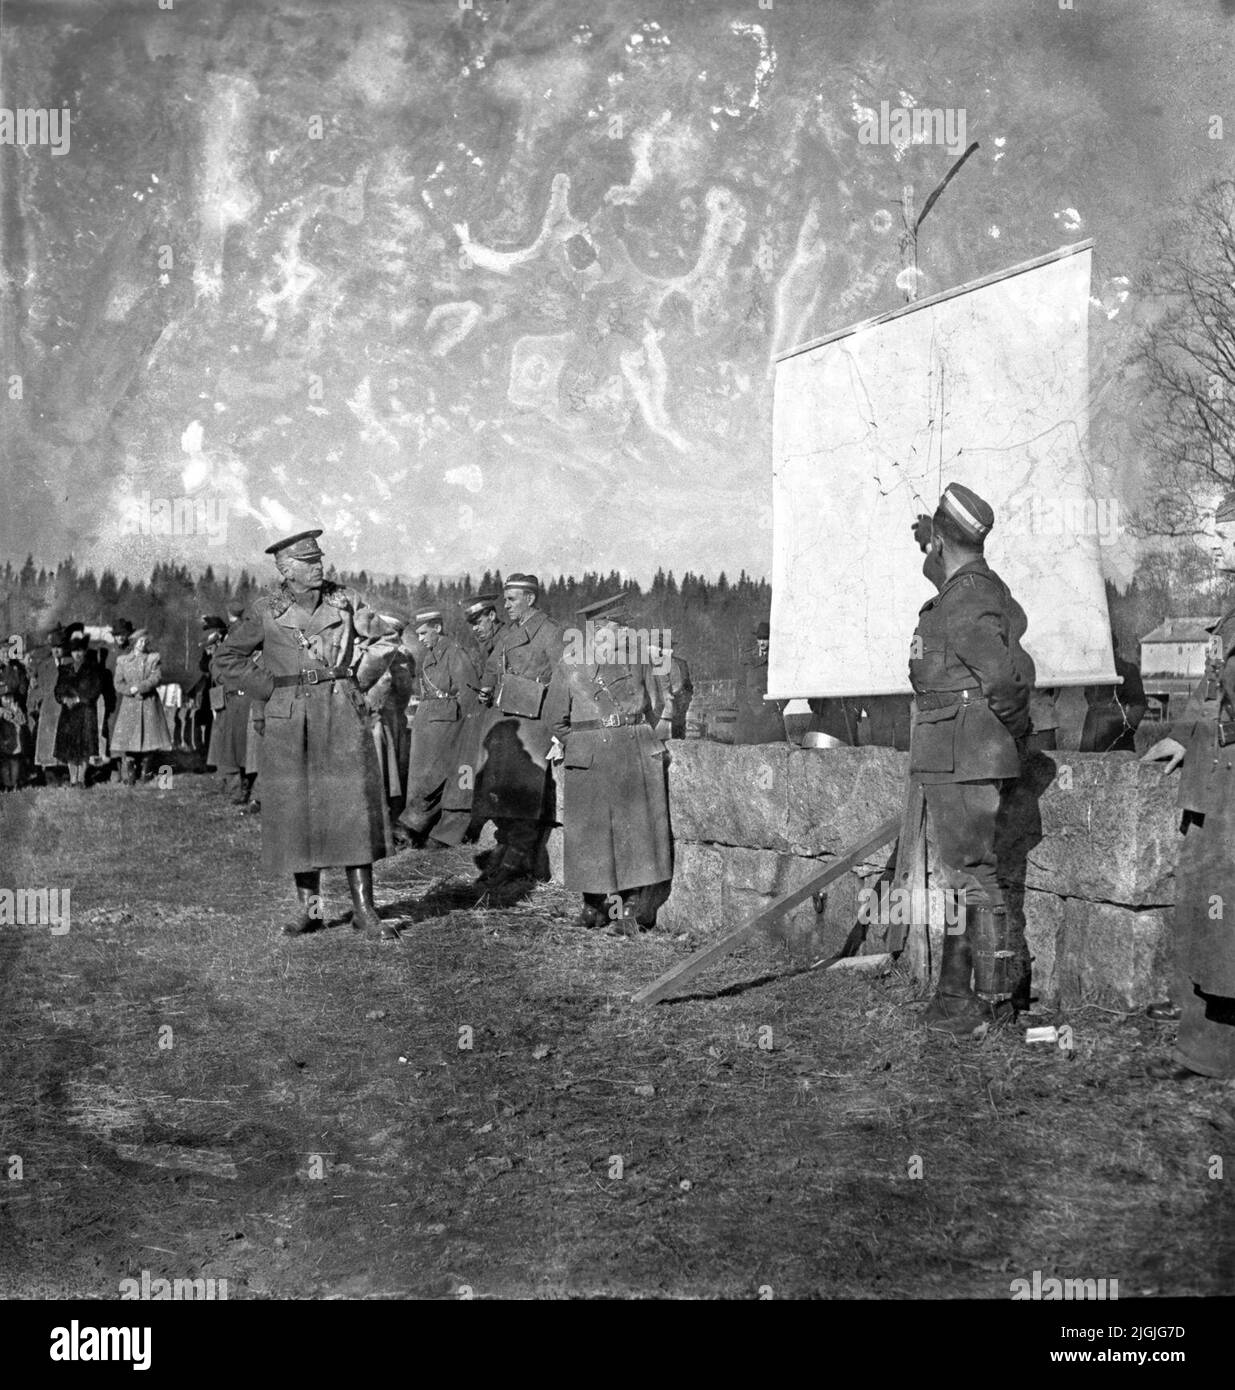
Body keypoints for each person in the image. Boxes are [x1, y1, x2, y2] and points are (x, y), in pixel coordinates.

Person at [212, 526, 400, 939]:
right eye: (309, 562)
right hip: (289, 720)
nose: (319, 567)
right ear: (287, 569)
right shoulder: (265, 610)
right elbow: (226, 659)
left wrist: (359, 679)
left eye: (319, 559)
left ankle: (365, 911)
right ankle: (310, 911)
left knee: (350, 809)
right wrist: (268, 689)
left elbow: (386, 639)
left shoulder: (345, 600)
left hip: (340, 711)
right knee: (296, 816)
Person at [908, 483, 1032, 1034]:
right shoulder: (970, 589)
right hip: (955, 752)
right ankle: (956, 993)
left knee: (974, 876)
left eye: (932, 539)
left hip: (966, 753)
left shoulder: (971, 598)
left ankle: (990, 1001)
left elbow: (1003, 679)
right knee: (962, 875)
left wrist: (1015, 735)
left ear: (941, 539)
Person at [1141, 491, 1235, 1079]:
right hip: (1218, 783)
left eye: (1231, 529)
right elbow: (1215, 694)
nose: (1221, 542)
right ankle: (1209, 1047)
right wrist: (1191, 734)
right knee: (1215, 918)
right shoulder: (1229, 611)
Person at [545, 593, 673, 933]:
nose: (623, 634)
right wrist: (586, 744)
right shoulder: (571, 662)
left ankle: (630, 907)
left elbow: (657, 707)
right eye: (615, 628)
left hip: (633, 749)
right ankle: (593, 907)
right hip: (589, 755)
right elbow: (555, 719)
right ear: (599, 628)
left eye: (621, 628)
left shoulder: (640, 658)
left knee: (636, 831)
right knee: (590, 834)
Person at [473, 574, 564, 887]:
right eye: (506, 599)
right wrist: (487, 686)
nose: (506, 605)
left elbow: (564, 680)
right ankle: (505, 849)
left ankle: (519, 856)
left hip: (535, 719)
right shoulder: (511, 632)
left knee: (525, 793)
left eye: (512, 599)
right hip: (507, 717)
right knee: (504, 792)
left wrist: (559, 729)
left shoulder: (550, 632)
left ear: (530, 599)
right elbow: (493, 666)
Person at [393, 609, 483, 849]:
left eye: (424, 633)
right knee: (421, 783)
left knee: (435, 783)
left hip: (446, 732)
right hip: (428, 730)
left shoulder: (454, 654)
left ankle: (426, 835)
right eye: (418, 634)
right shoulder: (432, 655)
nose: (421, 638)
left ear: (438, 628)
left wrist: (462, 733)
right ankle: (415, 836)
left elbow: (469, 694)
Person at [204, 614, 259, 806]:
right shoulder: (220, 652)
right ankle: (237, 789)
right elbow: (212, 670)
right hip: (228, 701)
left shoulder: (244, 649)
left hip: (245, 699)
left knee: (244, 748)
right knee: (230, 749)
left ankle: (245, 789)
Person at [111, 629, 174, 784]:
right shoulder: (123, 660)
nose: (143, 644)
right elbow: (118, 682)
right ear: (134, 643)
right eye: (140, 641)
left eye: (145, 641)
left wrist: (140, 687)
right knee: (129, 740)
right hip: (129, 705)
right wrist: (129, 690)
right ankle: (131, 774)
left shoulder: (153, 658)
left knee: (148, 739)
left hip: (148, 704)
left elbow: (156, 678)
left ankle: (146, 772)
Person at [54, 635, 101, 787]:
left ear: (85, 651)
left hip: (85, 712)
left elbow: (95, 690)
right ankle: (73, 779)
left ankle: (81, 779)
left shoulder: (93, 669)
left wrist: (78, 699)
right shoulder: (65, 669)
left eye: (80, 650)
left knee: (84, 747)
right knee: (69, 748)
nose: (77, 654)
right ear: (71, 653)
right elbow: (57, 690)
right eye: (74, 651)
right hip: (69, 714)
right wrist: (63, 699)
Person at [1080, 649, 1147, 753]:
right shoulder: (1090, 670)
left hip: (1116, 733)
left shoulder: (1127, 670)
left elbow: (1139, 705)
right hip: (1090, 733)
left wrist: (1125, 729)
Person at [734, 621, 787, 744]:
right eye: (760, 639)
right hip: (749, 710)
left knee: (772, 749)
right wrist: (742, 703)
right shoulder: (747, 657)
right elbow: (740, 683)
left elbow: (785, 684)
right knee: (744, 750)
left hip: (769, 711)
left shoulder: (777, 658)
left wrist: (779, 705)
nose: (762, 642)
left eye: (766, 639)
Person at [30, 627, 67, 783]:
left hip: (66, 709)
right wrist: (34, 704)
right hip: (49, 710)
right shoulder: (44, 666)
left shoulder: (71, 664)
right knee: (48, 743)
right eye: (54, 648)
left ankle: (65, 774)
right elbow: (38, 687)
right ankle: (50, 775)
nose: (57, 651)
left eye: (60, 648)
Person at [649, 641, 692, 740]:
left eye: (671, 648)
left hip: (677, 709)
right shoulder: (654, 665)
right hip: (660, 711)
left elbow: (687, 687)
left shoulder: (680, 664)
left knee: (675, 740)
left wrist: (683, 704)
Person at [0, 655, 31, 790]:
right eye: (2, 652)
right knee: (3, 754)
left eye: (8, 651)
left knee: (15, 752)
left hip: (13, 709)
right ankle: (6, 783)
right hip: (1, 714)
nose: (5, 655)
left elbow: (22, 690)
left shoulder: (16, 669)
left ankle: (15, 782)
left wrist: (21, 671)